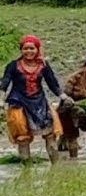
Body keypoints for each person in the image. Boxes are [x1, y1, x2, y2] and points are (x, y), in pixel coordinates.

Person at [1, 35, 69, 163]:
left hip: (39, 103)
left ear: (37, 49)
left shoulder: (43, 65)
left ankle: (56, 167)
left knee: (50, 135)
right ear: (21, 50)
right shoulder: (13, 65)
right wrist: (1, 98)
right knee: (23, 137)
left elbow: (52, 83)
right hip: (18, 104)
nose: (29, 51)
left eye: (32, 48)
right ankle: (27, 168)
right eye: (25, 49)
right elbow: (5, 82)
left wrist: (63, 96)